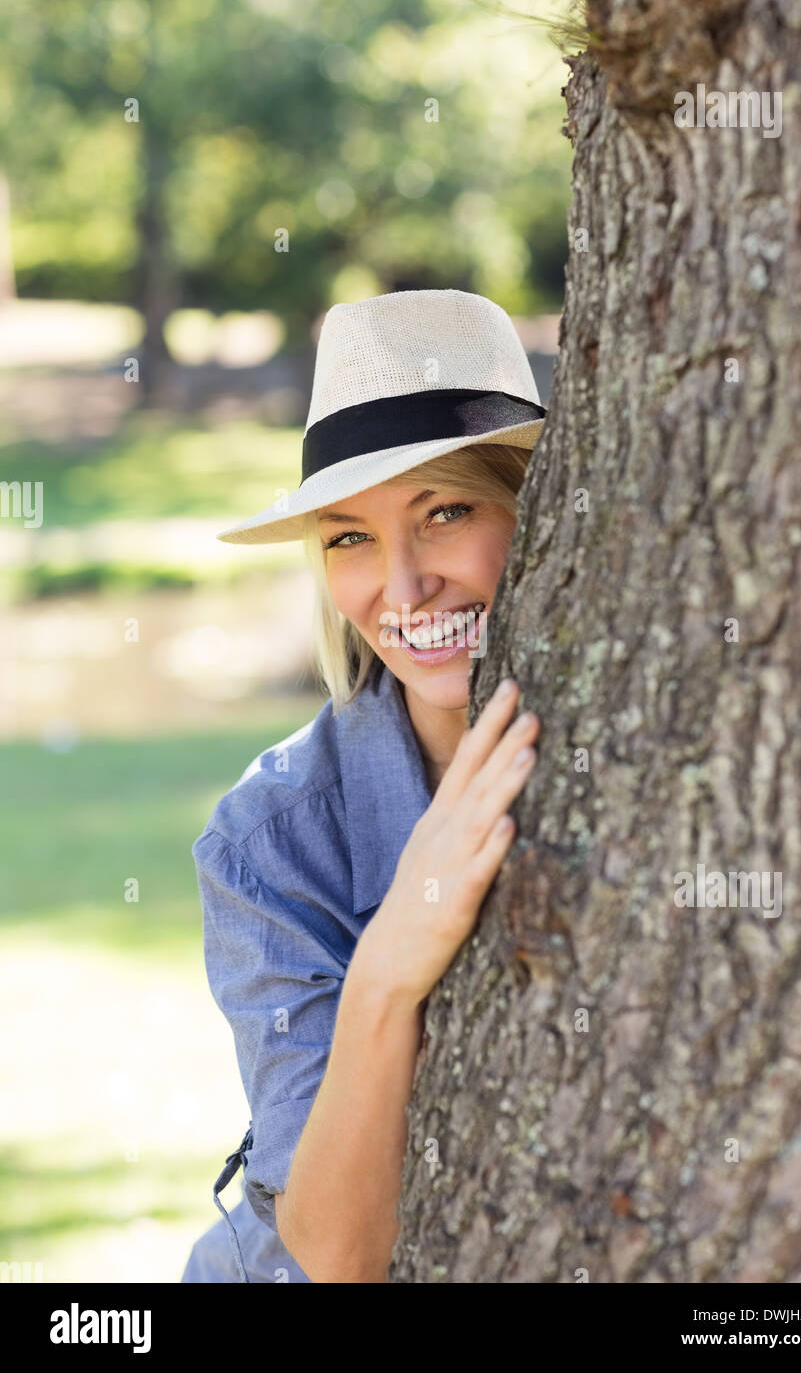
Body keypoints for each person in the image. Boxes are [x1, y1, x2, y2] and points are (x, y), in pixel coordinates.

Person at [180, 288, 545, 1282]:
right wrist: (391, 961)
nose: (401, 586)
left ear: (539, 508)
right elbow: (338, 1255)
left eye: (446, 512)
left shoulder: (645, 756)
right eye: (348, 537)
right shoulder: (267, 839)